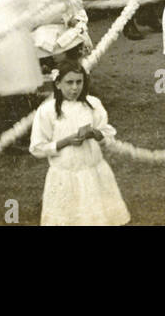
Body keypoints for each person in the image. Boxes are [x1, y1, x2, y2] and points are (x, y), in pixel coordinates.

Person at [29, 61, 130, 226]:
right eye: (69, 82)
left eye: (79, 82)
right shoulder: (48, 110)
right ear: (58, 84)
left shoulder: (93, 104)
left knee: (95, 218)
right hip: (64, 174)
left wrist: (95, 134)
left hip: (93, 171)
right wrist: (65, 141)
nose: (75, 88)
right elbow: (37, 148)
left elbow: (106, 134)